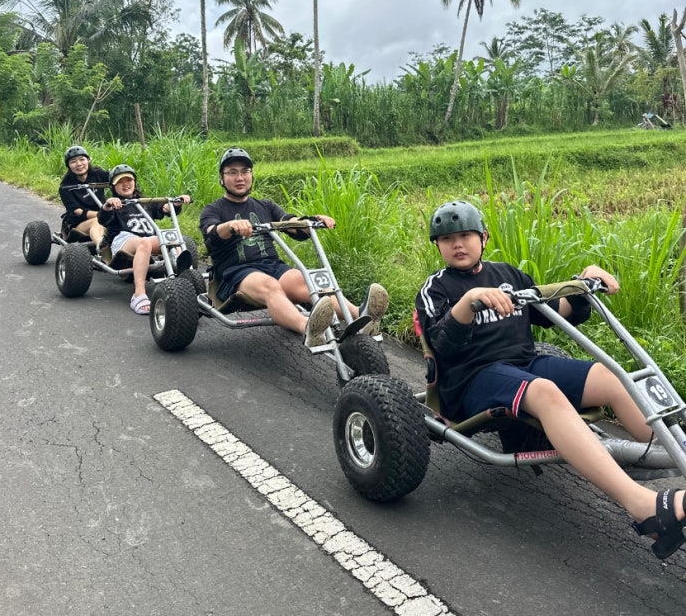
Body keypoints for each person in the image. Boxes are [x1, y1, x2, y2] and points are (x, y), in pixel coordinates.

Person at [415, 199, 686, 560]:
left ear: (484, 237)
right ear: (438, 245)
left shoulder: (508, 275)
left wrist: (583, 284)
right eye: (447, 239)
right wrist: (468, 302)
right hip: (472, 379)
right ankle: (643, 506)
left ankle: (680, 455)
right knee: (544, 391)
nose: (457, 244)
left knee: (611, 377)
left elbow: (558, 311)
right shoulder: (436, 288)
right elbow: (442, 346)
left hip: (525, 364)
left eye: (465, 235)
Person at [199, 147, 389, 348]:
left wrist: (311, 222)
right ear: (222, 179)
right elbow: (211, 233)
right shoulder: (213, 210)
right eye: (232, 172)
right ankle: (308, 328)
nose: (240, 177)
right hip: (236, 273)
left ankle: (361, 316)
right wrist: (230, 226)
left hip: (272, 266)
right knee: (270, 285)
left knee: (305, 280)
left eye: (245, 171)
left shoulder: (265, 206)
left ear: (251, 175)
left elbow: (291, 223)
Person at [99, 164, 191, 315]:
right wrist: (108, 204)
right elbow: (103, 219)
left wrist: (176, 203)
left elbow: (163, 209)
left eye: (129, 180)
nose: (125, 184)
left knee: (173, 239)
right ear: (113, 186)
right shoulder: (115, 203)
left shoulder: (145, 202)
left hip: (146, 238)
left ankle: (186, 285)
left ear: (134, 182)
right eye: (120, 182)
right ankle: (139, 294)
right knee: (145, 243)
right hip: (123, 241)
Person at [59, 146, 110, 247]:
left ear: (88, 160)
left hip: (103, 216)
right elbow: (78, 211)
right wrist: (103, 214)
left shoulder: (98, 174)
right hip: (78, 224)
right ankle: (102, 248)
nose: (79, 164)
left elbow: (116, 181)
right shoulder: (65, 187)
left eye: (82, 159)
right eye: (73, 161)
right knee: (97, 221)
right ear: (68, 166)